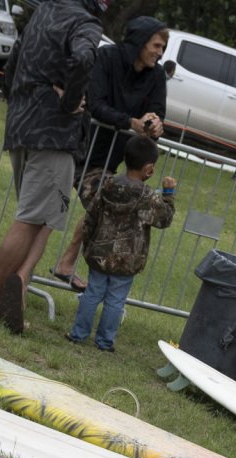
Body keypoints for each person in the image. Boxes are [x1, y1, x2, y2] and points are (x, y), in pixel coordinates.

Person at [0, 0, 106, 333]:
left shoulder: (45, 10)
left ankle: (17, 288)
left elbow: (14, 60)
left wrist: (18, 98)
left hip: (21, 125)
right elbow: (83, 57)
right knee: (31, 218)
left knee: (41, 217)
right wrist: (66, 102)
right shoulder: (86, 23)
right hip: (54, 134)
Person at [51, 14, 169, 291]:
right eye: (156, 46)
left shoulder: (157, 75)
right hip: (79, 148)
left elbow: (158, 110)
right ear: (140, 42)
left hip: (113, 162)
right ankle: (26, 273)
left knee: (104, 204)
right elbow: (96, 103)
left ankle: (69, 267)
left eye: (163, 48)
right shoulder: (107, 57)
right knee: (49, 211)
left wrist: (155, 124)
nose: (160, 53)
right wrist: (131, 123)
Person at [66, 134, 175, 352]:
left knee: (92, 294)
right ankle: (105, 341)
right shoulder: (147, 196)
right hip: (127, 260)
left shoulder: (107, 184)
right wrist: (169, 194)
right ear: (149, 169)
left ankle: (78, 333)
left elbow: (91, 215)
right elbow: (164, 219)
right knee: (116, 300)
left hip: (99, 252)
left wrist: (88, 244)